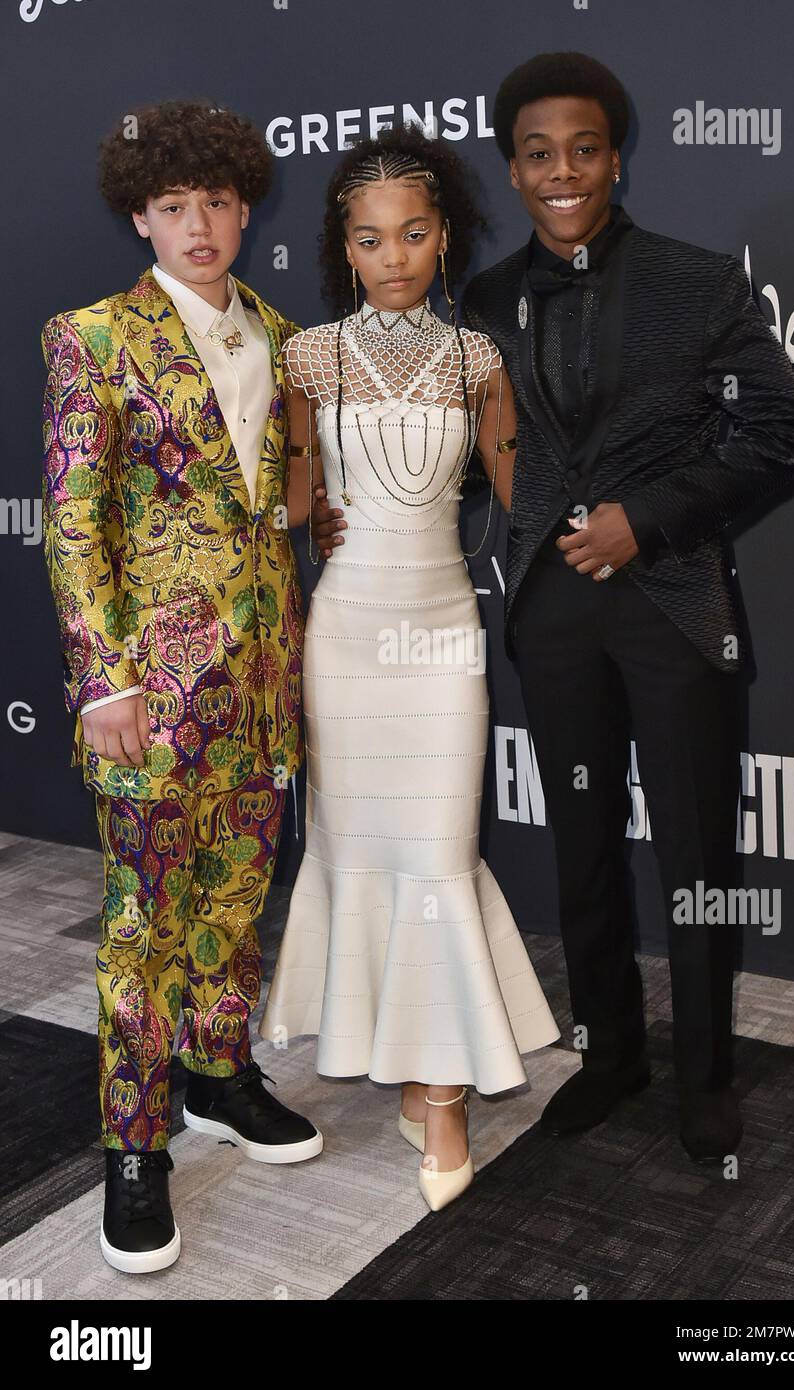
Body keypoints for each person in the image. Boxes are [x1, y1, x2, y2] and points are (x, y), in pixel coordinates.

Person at [455, 52, 794, 1163]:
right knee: (579, 846)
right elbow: (482, 459)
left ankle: (704, 1075)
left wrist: (643, 520)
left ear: (615, 155)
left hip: (668, 606)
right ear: (511, 168)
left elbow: (782, 434)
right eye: (535, 153)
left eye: (582, 148)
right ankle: (610, 1051)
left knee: (698, 854)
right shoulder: (483, 300)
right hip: (553, 618)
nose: (560, 171)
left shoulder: (694, 281)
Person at [40, 100, 321, 1275]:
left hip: (263, 680)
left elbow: (290, 505)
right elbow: (71, 515)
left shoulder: (283, 333)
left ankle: (218, 1072)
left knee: (236, 887)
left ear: (245, 205)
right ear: (139, 216)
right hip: (149, 687)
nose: (197, 225)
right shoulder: (91, 338)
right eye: (171, 208)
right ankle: (134, 1141)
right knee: (143, 919)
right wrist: (102, 676)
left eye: (215, 202)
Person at [260, 126, 561, 1212]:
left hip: (439, 629)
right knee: (361, 845)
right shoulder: (306, 357)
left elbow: (519, 494)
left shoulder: (479, 361)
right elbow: (293, 503)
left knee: (436, 851)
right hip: (345, 635)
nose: (394, 255)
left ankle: (438, 1090)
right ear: (343, 247)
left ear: (444, 240)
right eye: (370, 236)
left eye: (415, 234)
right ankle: (405, 1057)